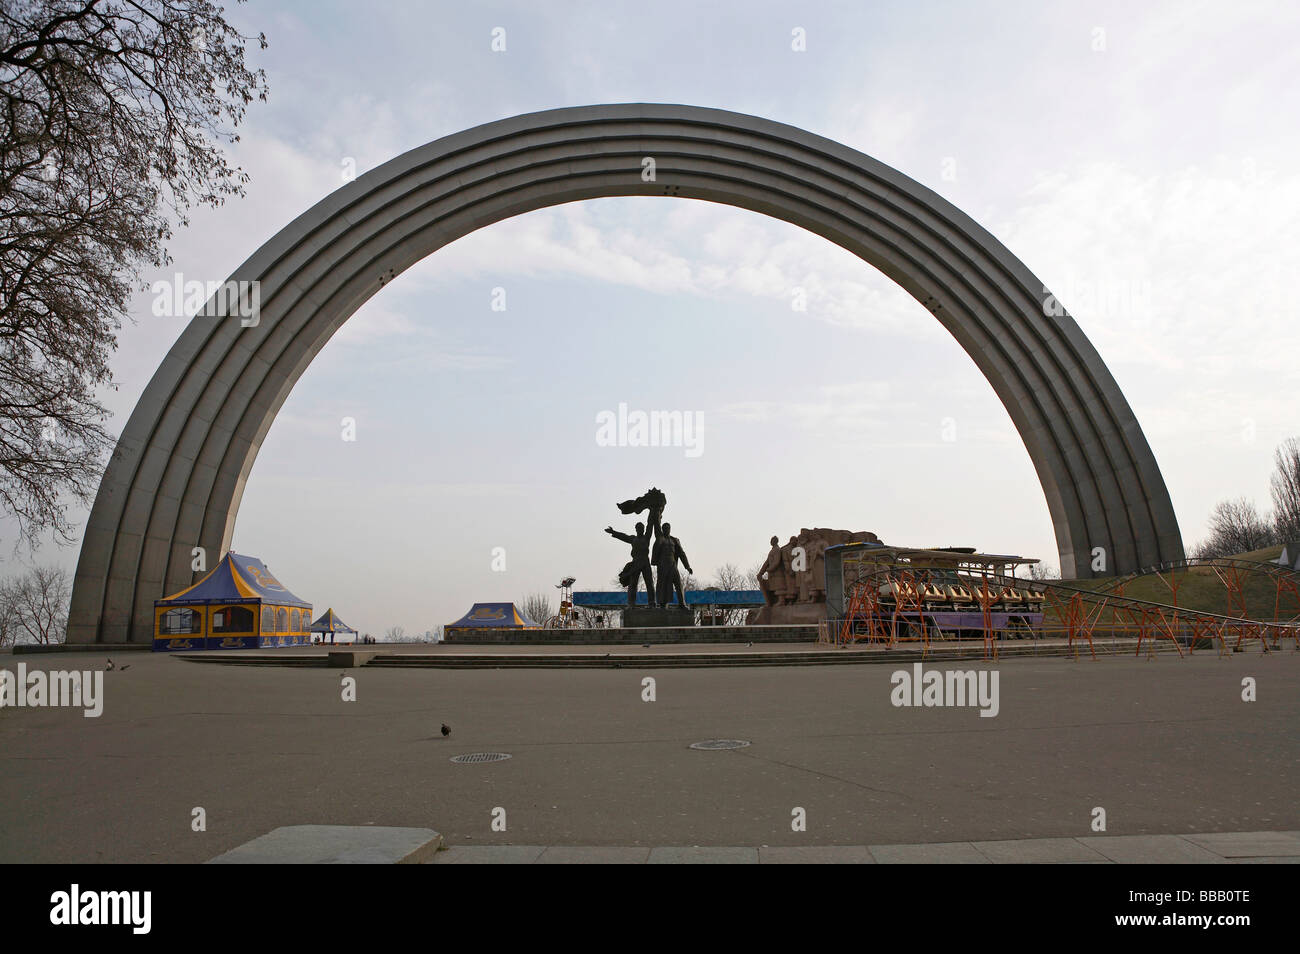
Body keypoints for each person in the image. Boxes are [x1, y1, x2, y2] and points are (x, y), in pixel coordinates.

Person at [605, 520, 655, 606]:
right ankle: (631, 603)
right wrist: (613, 532)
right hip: (635, 562)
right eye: (638, 528)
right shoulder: (633, 539)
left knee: (649, 583)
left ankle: (652, 602)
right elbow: (623, 536)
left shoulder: (646, 537)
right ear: (636, 529)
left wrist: (654, 514)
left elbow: (650, 525)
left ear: (644, 530)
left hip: (645, 562)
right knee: (633, 584)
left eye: (642, 528)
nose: (640, 530)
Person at [652, 514, 693, 609]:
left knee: (678, 584)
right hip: (662, 566)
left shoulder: (674, 540)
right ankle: (663, 604)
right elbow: (656, 527)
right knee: (663, 585)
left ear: (670, 529)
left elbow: (682, 554)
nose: (666, 529)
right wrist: (658, 518)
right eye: (664, 528)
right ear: (662, 529)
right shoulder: (660, 539)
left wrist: (687, 566)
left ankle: (682, 604)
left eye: (668, 528)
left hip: (672, 565)